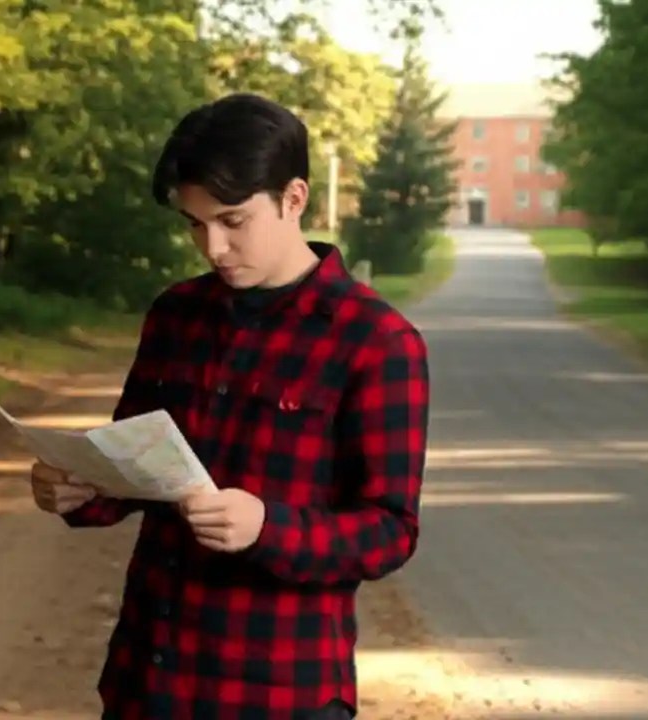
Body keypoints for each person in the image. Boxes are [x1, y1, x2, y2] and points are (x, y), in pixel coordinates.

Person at [29, 92, 430, 719]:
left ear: (294, 198)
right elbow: (136, 466)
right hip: (148, 678)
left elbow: (389, 531)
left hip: (278, 691)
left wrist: (269, 528)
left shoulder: (376, 342)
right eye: (195, 223)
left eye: (232, 221)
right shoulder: (176, 315)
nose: (212, 246)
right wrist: (80, 486)